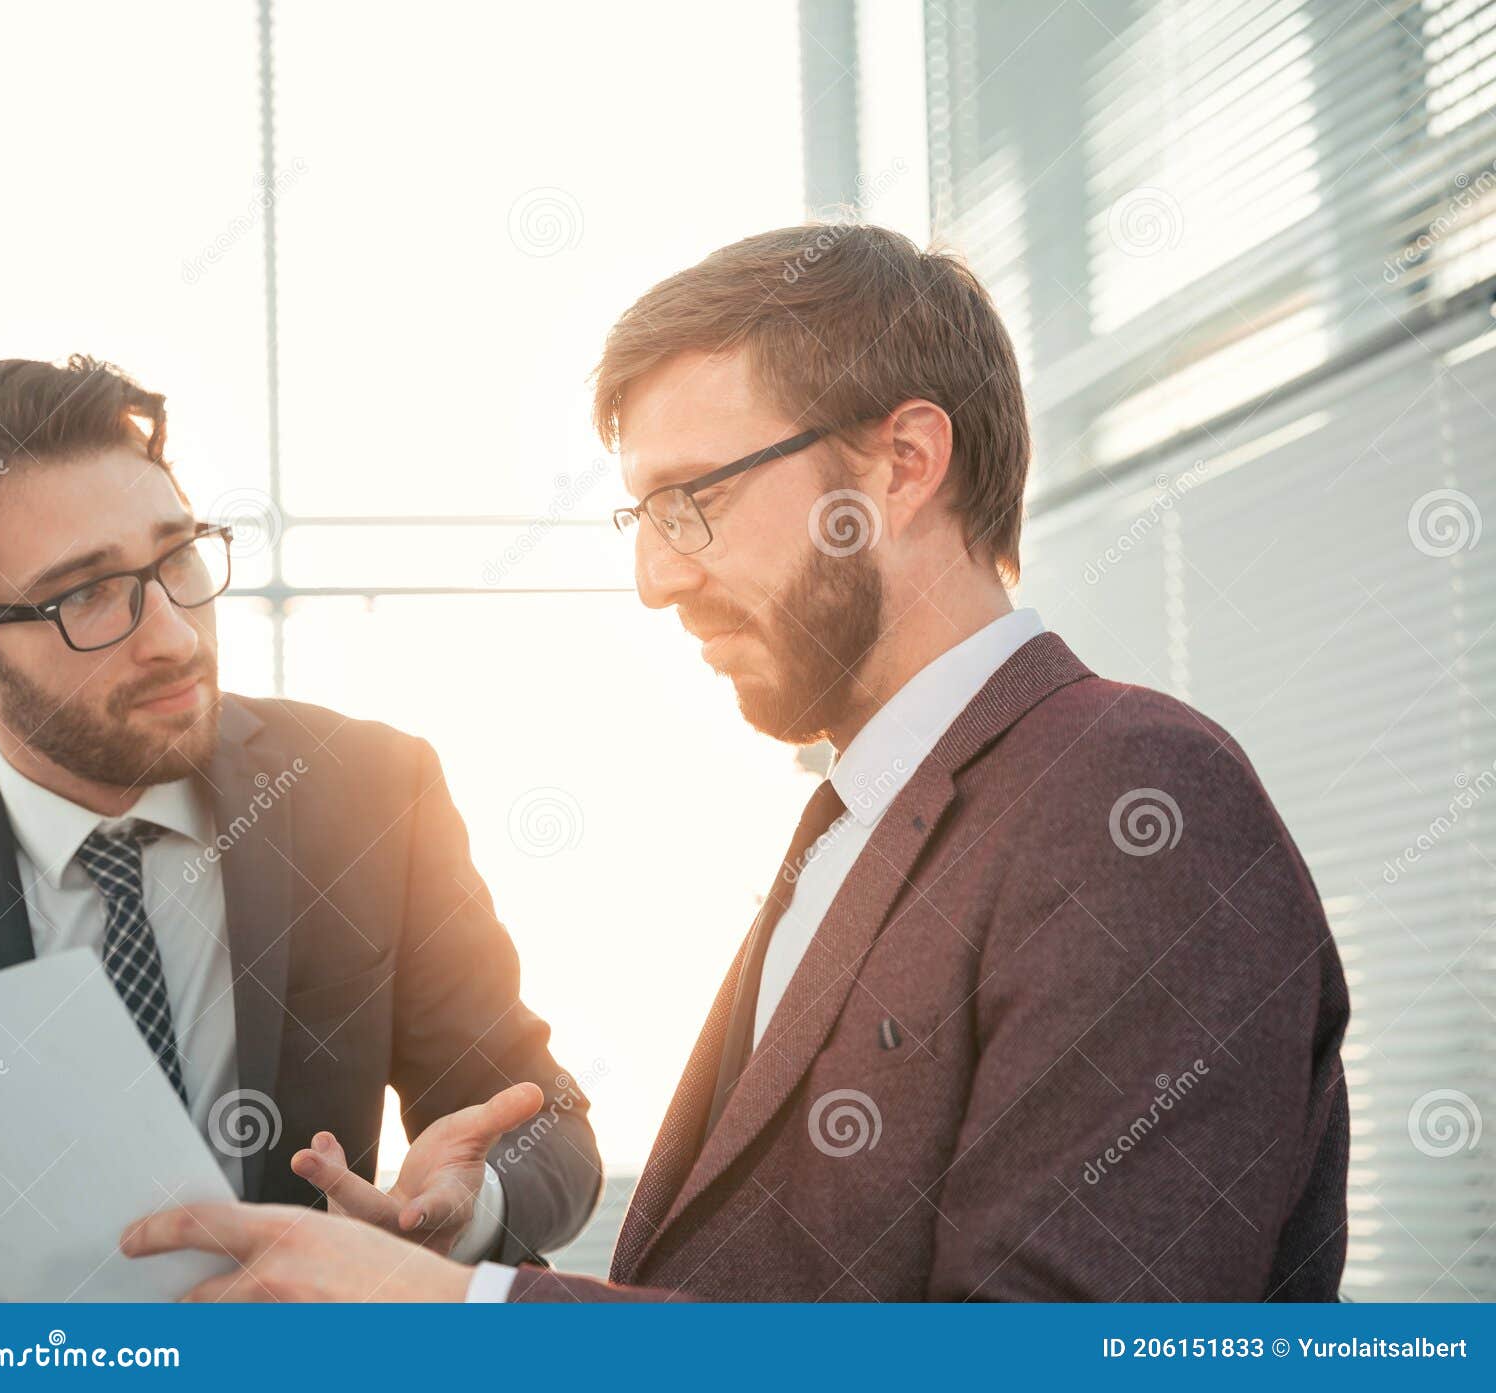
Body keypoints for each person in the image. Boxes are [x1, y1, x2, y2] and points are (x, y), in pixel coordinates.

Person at [120, 225, 1350, 1302]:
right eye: (644, 517)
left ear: (902, 465)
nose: (656, 579)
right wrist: (464, 1248)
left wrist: (465, 1316)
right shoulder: (861, 816)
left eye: (691, 500)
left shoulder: (1135, 798)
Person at [0, 356, 601, 1268]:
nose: (174, 636)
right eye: (86, 594)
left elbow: (542, 1118)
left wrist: (462, 1209)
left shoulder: (370, 791)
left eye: (177, 557)